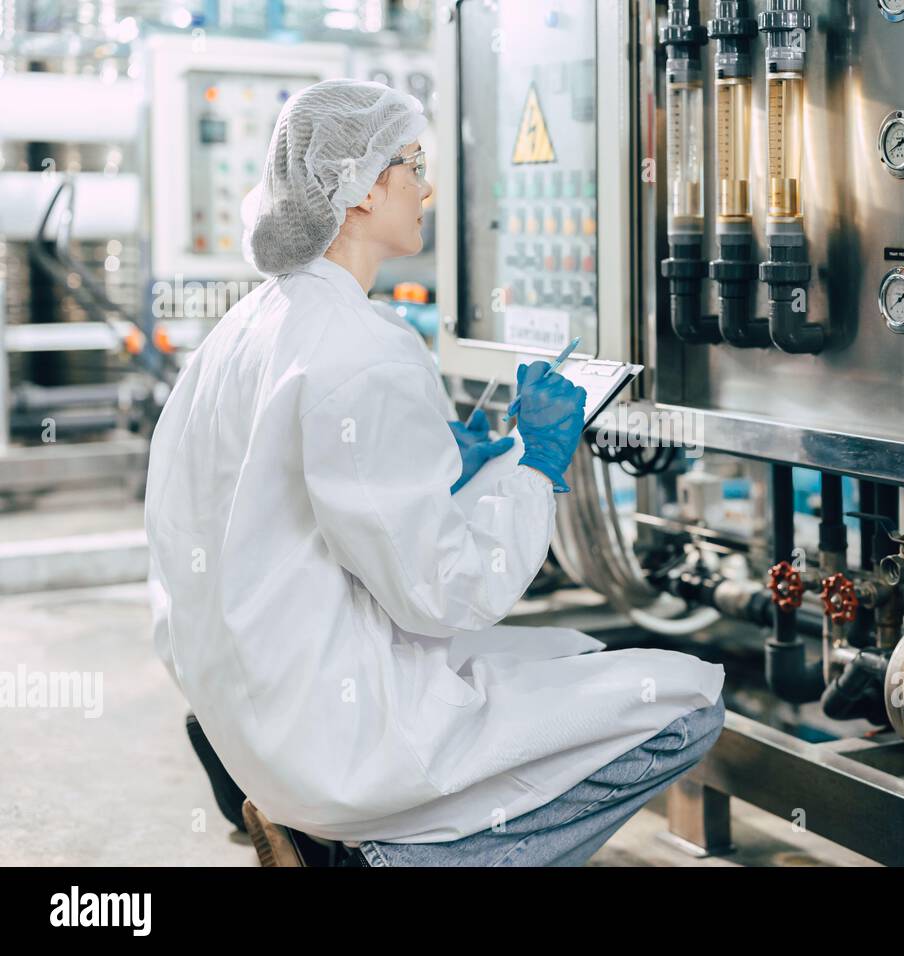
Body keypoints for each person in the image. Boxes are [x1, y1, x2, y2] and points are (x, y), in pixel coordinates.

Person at [144, 79, 725, 866]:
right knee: (686, 699)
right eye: (411, 164)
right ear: (358, 188)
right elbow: (451, 594)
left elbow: (290, 498)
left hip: (250, 716)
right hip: (338, 740)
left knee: (577, 656)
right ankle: (392, 859)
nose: (426, 187)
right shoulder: (365, 348)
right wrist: (542, 466)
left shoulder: (248, 328)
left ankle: (322, 831)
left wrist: (447, 459)